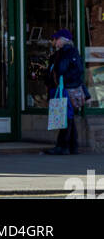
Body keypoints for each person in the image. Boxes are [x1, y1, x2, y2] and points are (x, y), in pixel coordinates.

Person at [45, 28, 86, 156]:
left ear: (63, 40)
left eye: (56, 39)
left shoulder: (70, 52)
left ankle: (62, 146)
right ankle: (72, 146)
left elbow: (78, 70)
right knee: (67, 116)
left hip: (65, 88)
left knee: (65, 116)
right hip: (58, 88)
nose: (54, 41)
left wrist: (64, 80)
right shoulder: (58, 53)